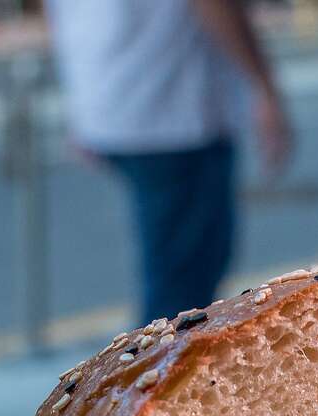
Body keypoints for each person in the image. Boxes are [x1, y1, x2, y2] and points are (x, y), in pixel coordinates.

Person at [46, 0, 293, 326]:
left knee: (176, 284)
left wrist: (81, 100)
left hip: (113, 102)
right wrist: (264, 87)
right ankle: (154, 362)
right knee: (179, 304)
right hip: (174, 114)